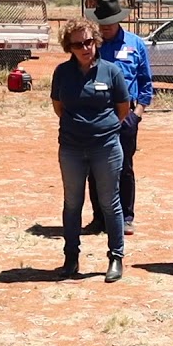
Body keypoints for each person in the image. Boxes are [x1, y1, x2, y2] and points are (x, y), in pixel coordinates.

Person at [50, 17, 128, 283]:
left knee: (110, 203)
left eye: (89, 41)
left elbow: (122, 109)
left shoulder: (111, 71)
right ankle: (71, 258)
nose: (85, 48)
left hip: (105, 146)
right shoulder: (62, 72)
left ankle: (115, 258)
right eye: (78, 44)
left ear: (96, 40)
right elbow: (58, 105)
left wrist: (101, 129)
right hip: (71, 147)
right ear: (68, 47)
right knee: (72, 204)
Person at [82, 0, 152, 236]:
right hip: (96, 116)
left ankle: (126, 216)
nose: (106, 28)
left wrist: (137, 114)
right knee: (94, 167)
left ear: (119, 21)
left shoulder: (135, 44)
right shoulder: (91, 46)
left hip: (126, 115)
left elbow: (145, 82)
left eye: (110, 23)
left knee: (124, 167)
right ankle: (99, 218)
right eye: (102, 24)